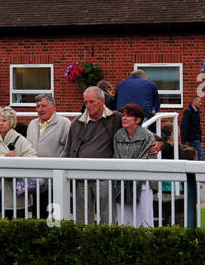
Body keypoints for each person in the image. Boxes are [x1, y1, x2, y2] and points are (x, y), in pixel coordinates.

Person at [64, 85, 120, 225]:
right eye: (86, 102)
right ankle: (84, 243)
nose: (88, 105)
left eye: (92, 101)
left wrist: (158, 141)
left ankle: (109, 242)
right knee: (82, 217)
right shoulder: (77, 123)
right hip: (81, 175)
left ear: (102, 101)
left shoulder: (115, 118)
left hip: (105, 174)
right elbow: (68, 149)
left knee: (107, 215)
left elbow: (135, 129)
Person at [0, 107, 38, 218]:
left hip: (15, 190)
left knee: (17, 221)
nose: (0, 123)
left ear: (11, 122)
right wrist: (3, 156)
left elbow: (33, 157)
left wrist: (17, 159)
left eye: (4, 120)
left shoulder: (19, 139)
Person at [113, 103, 158, 227]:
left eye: (129, 116)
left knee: (144, 220)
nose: (124, 118)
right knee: (124, 222)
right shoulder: (118, 135)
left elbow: (149, 158)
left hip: (142, 184)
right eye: (123, 115)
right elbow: (116, 156)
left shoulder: (148, 136)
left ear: (138, 120)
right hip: (122, 185)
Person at [179, 96, 203, 160]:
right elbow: (184, 126)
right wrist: (184, 139)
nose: (201, 104)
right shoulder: (188, 112)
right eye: (199, 102)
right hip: (192, 138)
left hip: (196, 138)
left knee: (192, 155)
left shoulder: (196, 112)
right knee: (200, 154)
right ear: (194, 102)